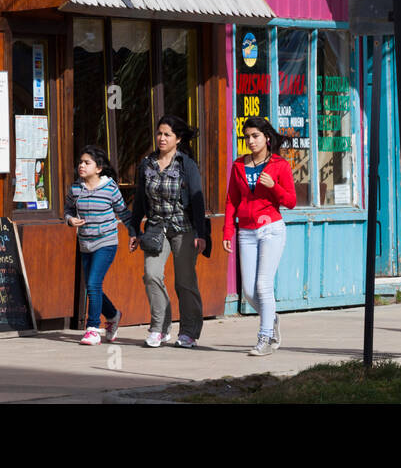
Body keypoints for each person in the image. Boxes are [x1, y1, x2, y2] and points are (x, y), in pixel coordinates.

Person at [129, 114, 210, 348]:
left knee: (184, 281)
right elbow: (140, 201)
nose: (161, 138)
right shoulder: (147, 164)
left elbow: (197, 201)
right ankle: (160, 328)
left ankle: (189, 331)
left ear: (178, 139)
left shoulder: (186, 164)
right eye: (159, 133)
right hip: (156, 229)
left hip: (184, 229)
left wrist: (201, 234)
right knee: (151, 274)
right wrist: (134, 231)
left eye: (167, 135)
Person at [223, 116, 296, 357]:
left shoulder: (279, 165)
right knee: (249, 292)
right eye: (247, 137)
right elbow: (232, 200)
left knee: (263, 286)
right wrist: (227, 231)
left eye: (255, 136)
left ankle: (265, 338)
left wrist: (273, 186)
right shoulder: (238, 165)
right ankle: (271, 317)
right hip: (246, 231)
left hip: (271, 229)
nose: (251, 141)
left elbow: (291, 202)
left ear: (267, 138)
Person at [64, 145, 129, 346]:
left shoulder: (110, 188)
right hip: (85, 243)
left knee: (92, 284)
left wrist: (136, 234)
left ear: (98, 168)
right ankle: (113, 315)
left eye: (87, 163)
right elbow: (68, 209)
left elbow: (124, 213)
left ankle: (93, 329)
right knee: (94, 287)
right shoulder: (76, 189)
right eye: (80, 162)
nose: (81, 166)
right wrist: (69, 219)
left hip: (106, 242)